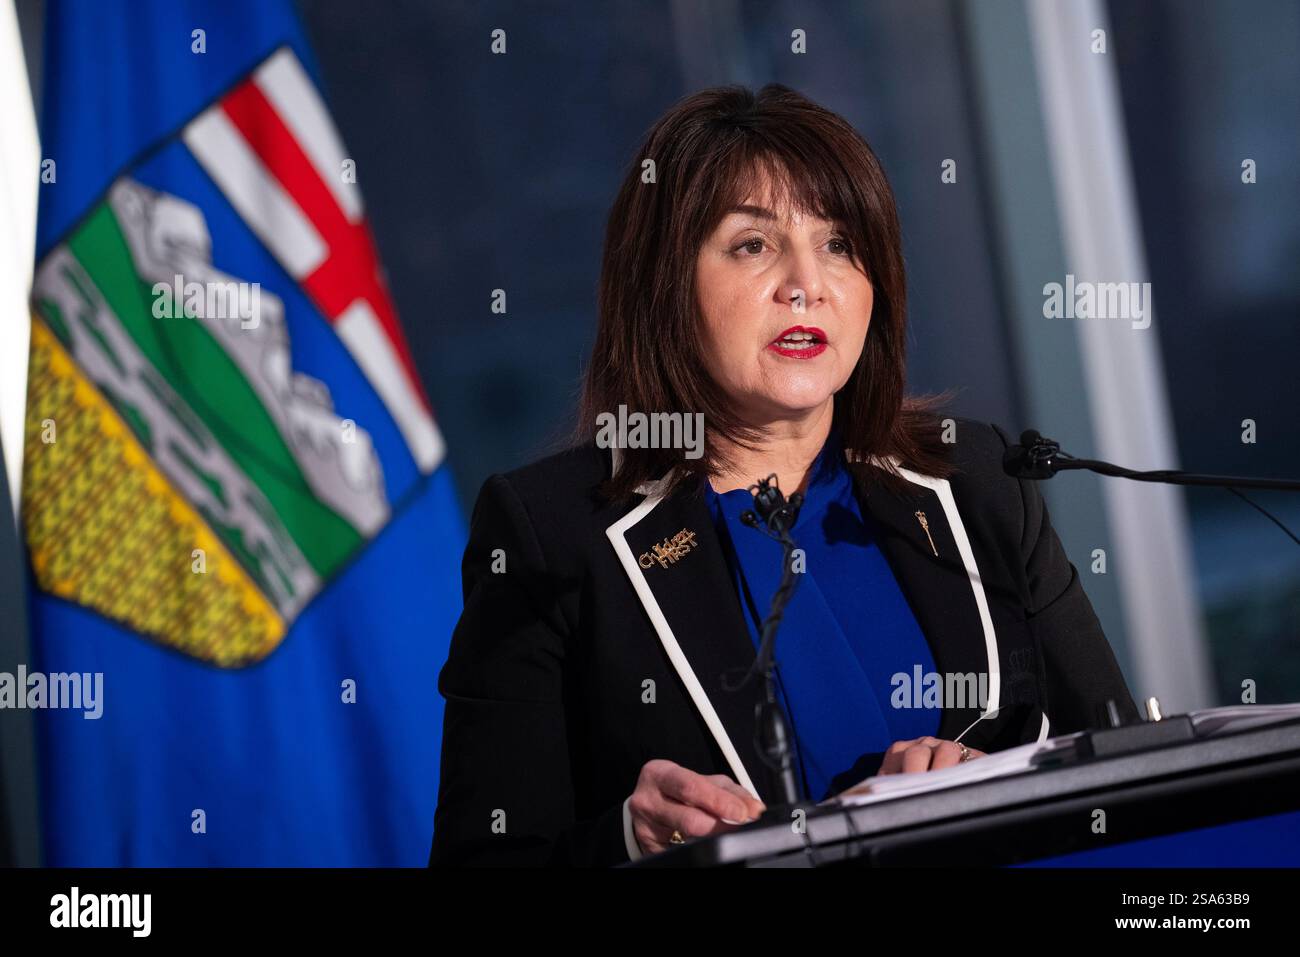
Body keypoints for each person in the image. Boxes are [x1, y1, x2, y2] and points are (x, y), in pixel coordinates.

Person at [428, 84, 1138, 867]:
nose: (809, 283)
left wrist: (992, 787)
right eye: (752, 245)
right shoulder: (552, 535)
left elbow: (1132, 771)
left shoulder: (978, 481)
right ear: (664, 285)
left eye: (839, 243)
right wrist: (633, 842)